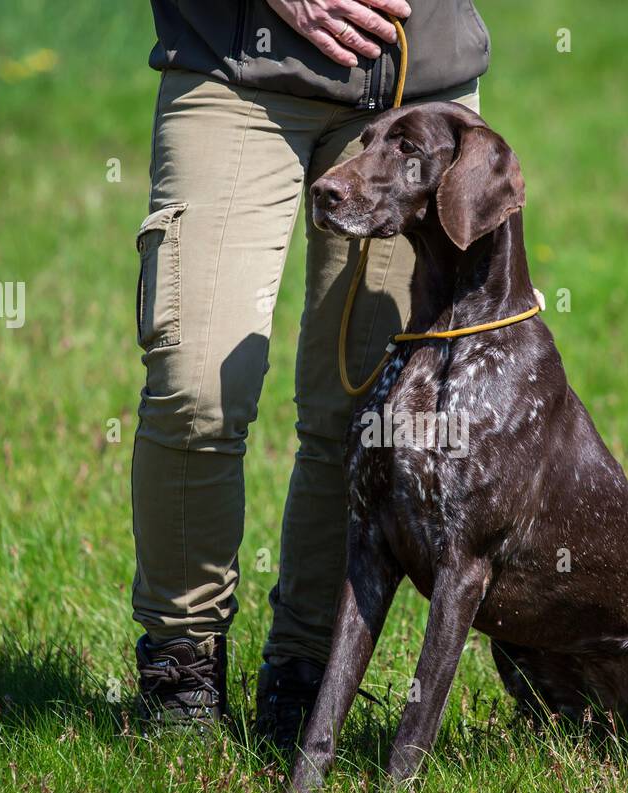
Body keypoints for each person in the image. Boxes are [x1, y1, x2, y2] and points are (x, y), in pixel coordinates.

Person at [131, 0, 491, 748]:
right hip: (235, 69)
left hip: (417, 93)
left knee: (362, 416)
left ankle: (306, 675)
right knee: (196, 388)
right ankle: (181, 670)